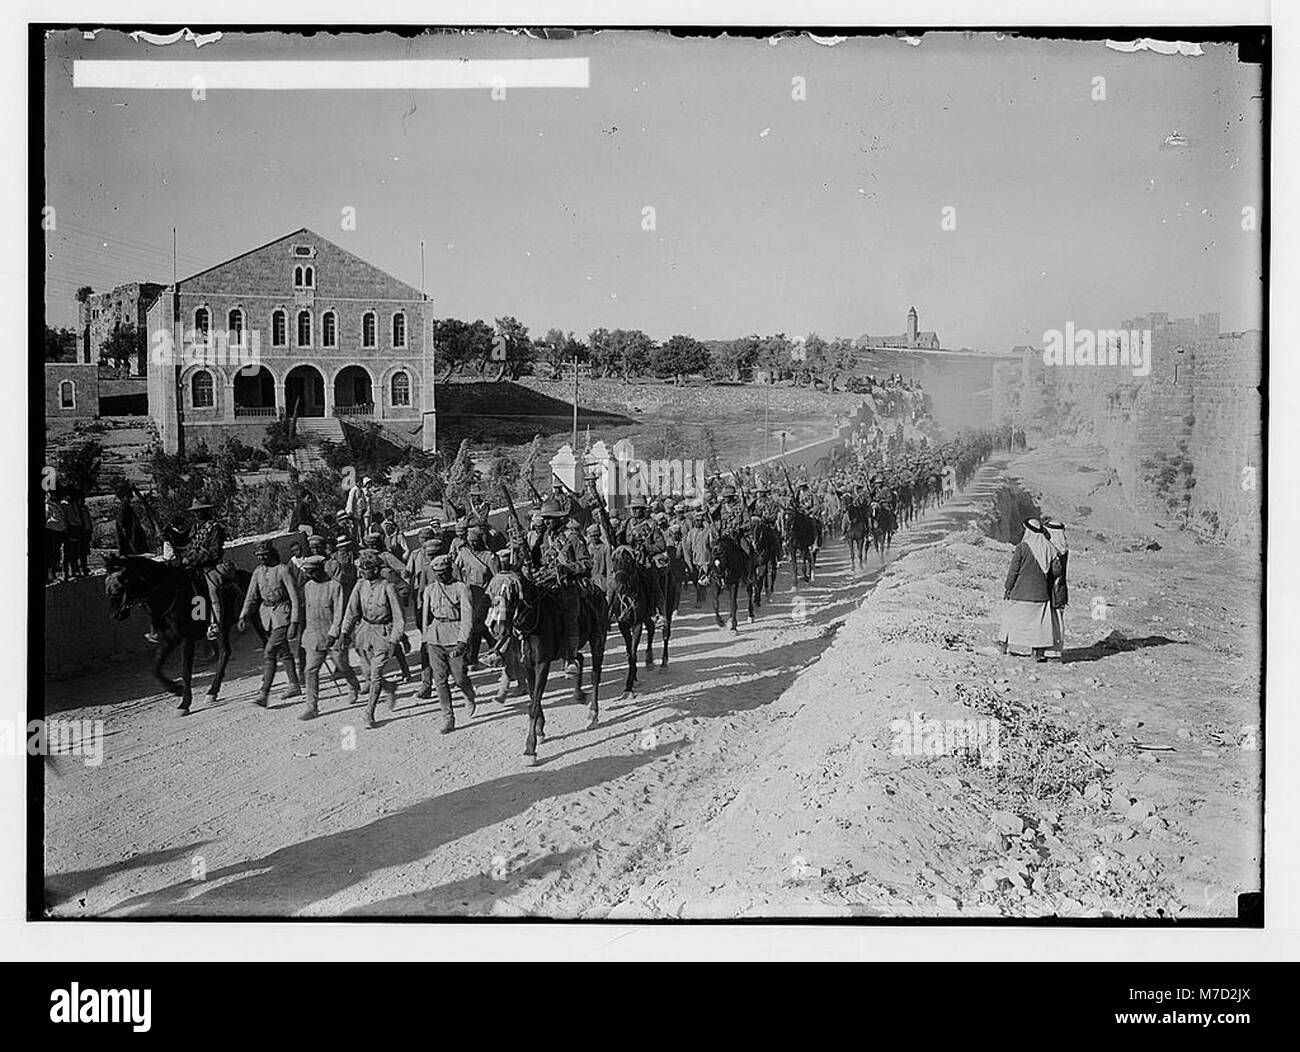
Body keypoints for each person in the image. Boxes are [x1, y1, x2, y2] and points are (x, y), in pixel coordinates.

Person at [340, 549, 405, 729]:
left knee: (376, 673)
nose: (362, 571)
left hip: (383, 632)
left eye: (366, 568)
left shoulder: (388, 588)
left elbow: (399, 617)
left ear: (376, 570)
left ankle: (369, 712)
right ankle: (389, 687)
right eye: (361, 568)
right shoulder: (360, 585)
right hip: (364, 632)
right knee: (369, 674)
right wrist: (345, 632)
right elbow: (351, 611)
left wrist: (394, 640)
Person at [239, 540, 303, 705]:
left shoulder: (283, 569)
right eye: (259, 556)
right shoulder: (257, 572)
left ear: (271, 553)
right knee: (283, 652)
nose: (262, 559)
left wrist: (294, 622)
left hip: (283, 613)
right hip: (266, 616)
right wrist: (243, 615)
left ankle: (263, 693)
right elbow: (251, 596)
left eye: (264, 555)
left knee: (270, 650)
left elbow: (295, 597)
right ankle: (294, 684)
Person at [297, 554, 360, 719]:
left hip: (332, 636)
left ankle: (353, 685)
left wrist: (334, 632)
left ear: (321, 569)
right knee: (310, 670)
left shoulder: (335, 586)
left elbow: (339, 612)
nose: (310, 575)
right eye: (307, 572)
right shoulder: (308, 586)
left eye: (312, 572)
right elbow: (306, 612)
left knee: (342, 665)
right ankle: (312, 706)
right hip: (313, 636)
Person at [421, 553, 476, 734]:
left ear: (450, 570)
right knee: (440, 679)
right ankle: (448, 717)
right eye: (437, 574)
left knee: (459, 677)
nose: (441, 576)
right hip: (435, 636)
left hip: (455, 634)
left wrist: (462, 641)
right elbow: (425, 618)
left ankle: (469, 694)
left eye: (444, 573)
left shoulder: (461, 588)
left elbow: (467, 616)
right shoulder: (429, 590)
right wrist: (425, 639)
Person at [996, 518, 1061, 662]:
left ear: (1028, 531)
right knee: (1040, 624)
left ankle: (1003, 645)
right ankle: (1038, 653)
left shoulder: (1022, 547)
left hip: (1021, 593)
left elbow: (1013, 571)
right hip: (1041, 594)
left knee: (1010, 618)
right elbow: (1057, 571)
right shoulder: (1049, 548)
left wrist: (1008, 588)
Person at [176, 499, 228, 641]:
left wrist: (197, 559)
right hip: (192, 566)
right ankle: (194, 620)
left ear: (206, 511)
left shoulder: (215, 528)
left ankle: (216, 623)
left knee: (213, 589)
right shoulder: (194, 527)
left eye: (200, 511)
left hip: (209, 565)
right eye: (195, 512)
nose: (197, 514)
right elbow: (184, 541)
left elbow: (215, 551)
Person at [453, 525, 499, 668]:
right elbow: (455, 568)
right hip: (470, 592)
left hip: (485, 594)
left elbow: (496, 577)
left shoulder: (489, 556)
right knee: (475, 625)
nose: (472, 543)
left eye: (475, 540)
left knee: (479, 625)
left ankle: (474, 657)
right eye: (470, 541)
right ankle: (490, 650)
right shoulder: (464, 553)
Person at [1043, 518, 1070, 661]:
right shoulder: (1063, 547)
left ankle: (1054, 652)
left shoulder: (1055, 549)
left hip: (1054, 590)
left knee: (1055, 622)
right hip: (1059, 590)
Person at [114, 480, 152, 556]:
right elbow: (122, 524)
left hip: (132, 535)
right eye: (128, 496)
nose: (130, 497)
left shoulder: (126, 507)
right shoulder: (123, 508)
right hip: (130, 537)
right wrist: (128, 536)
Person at [44, 491, 66, 584]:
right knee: (50, 554)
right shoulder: (47, 506)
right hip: (51, 531)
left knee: (56, 554)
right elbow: (46, 517)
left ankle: (53, 575)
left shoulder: (56, 506)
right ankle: (49, 576)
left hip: (58, 531)